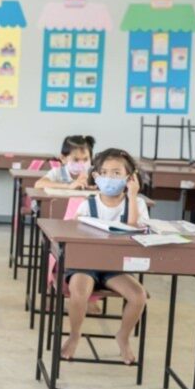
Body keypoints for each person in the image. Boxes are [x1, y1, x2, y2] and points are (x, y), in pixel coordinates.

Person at [61, 148, 149, 365]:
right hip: (85, 264)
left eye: (117, 173)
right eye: (105, 172)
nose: (111, 177)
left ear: (130, 178)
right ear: (96, 177)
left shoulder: (137, 204)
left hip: (114, 267)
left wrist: (132, 196)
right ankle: (74, 335)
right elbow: (74, 237)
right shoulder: (87, 204)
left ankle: (123, 336)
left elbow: (134, 232)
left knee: (139, 295)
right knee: (79, 293)